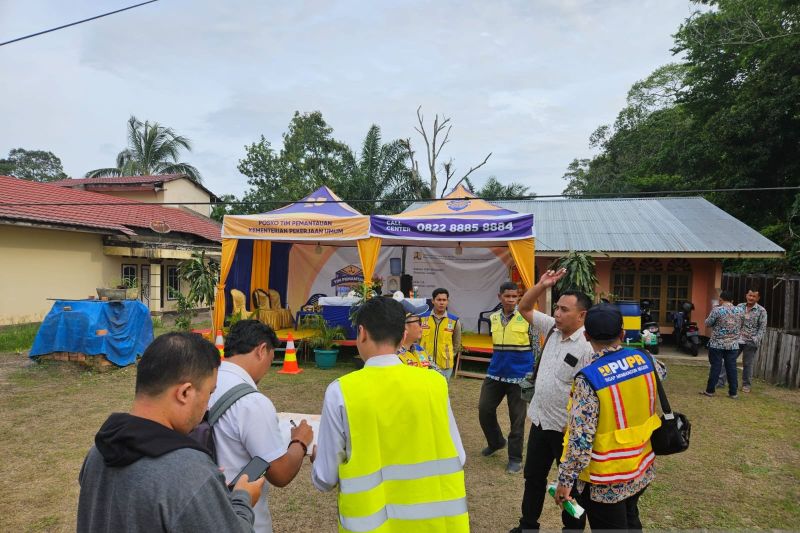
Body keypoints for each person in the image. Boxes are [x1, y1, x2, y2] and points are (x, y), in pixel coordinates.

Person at [77, 332, 264, 532]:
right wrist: (243, 499)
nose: (208, 406)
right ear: (185, 393)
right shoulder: (190, 472)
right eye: (209, 392)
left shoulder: (97, 452)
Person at [312, 297, 469, 532]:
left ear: (361, 333)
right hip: (438, 525)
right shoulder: (435, 383)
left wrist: (316, 455)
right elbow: (459, 457)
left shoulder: (341, 391)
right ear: (403, 336)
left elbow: (324, 479)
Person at [554, 303, 664, 531]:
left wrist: (565, 481)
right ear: (622, 333)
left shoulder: (589, 378)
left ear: (586, 335)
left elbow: (580, 439)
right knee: (631, 519)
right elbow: (662, 373)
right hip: (640, 465)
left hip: (606, 479)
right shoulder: (645, 359)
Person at [510, 268, 593, 533]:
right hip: (541, 421)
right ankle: (528, 526)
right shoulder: (552, 329)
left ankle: (572, 530)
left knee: (573, 489)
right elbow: (523, 307)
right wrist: (542, 285)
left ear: (582, 315)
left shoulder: (588, 347)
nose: (557, 314)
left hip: (566, 431)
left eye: (564, 310)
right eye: (556, 308)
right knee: (533, 478)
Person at [212, 320, 314, 533]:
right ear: (261, 350)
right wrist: (300, 441)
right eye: (271, 358)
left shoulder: (206, 382)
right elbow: (280, 474)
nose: (268, 367)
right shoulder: (252, 402)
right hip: (244, 517)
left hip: (206, 509)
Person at [478, 281, 533, 475]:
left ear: (518, 297)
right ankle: (496, 442)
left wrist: (533, 375)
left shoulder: (528, 317)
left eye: (514, 296)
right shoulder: (493, 317)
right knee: (484, 409)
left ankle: (515, 458)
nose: (511, 300)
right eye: (507, 296)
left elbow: (537, 348)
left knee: (517, 419)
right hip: (495, 373)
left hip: (521, 376)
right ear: (499, 297)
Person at [717, 288, 767, 393]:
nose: (751, 298)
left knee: (747, 364)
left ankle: (746, 385)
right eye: (750, 295)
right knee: (728, 360)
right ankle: (720, 382)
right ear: (746, 295)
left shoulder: (761, 311)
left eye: (754, 296)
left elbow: (762, 328)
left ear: (758, 298)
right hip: (736, 339)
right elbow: (732, 319)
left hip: (750, 342)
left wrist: (756, 339)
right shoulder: (739, 307)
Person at [701, 290, 744, 399]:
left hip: (717, 344)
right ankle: (733, 393)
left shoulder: (717, 310)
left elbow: (707, 323)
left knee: (716, 366)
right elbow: (742, 324)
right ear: (732, 300)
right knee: (732, 368)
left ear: (721, 299)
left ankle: (710, 391)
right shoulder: (740, 310)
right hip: (733, 345)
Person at [420, 287, 462, 379]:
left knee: (443, 390)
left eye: (444, 300)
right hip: (425, 363)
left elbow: (457, 343)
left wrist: (449, 355)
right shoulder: (422, 318)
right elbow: (416, 340)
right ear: (433, 301)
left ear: (447, 301)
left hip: (445, 364)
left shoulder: (454, 321)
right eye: (439, 300)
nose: (442, 302)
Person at [397, 299, 434, 367]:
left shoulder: (419, 349)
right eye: (419, 321)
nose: (422, 325)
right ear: (404, 326)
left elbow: (439, 374)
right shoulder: (394, 357)